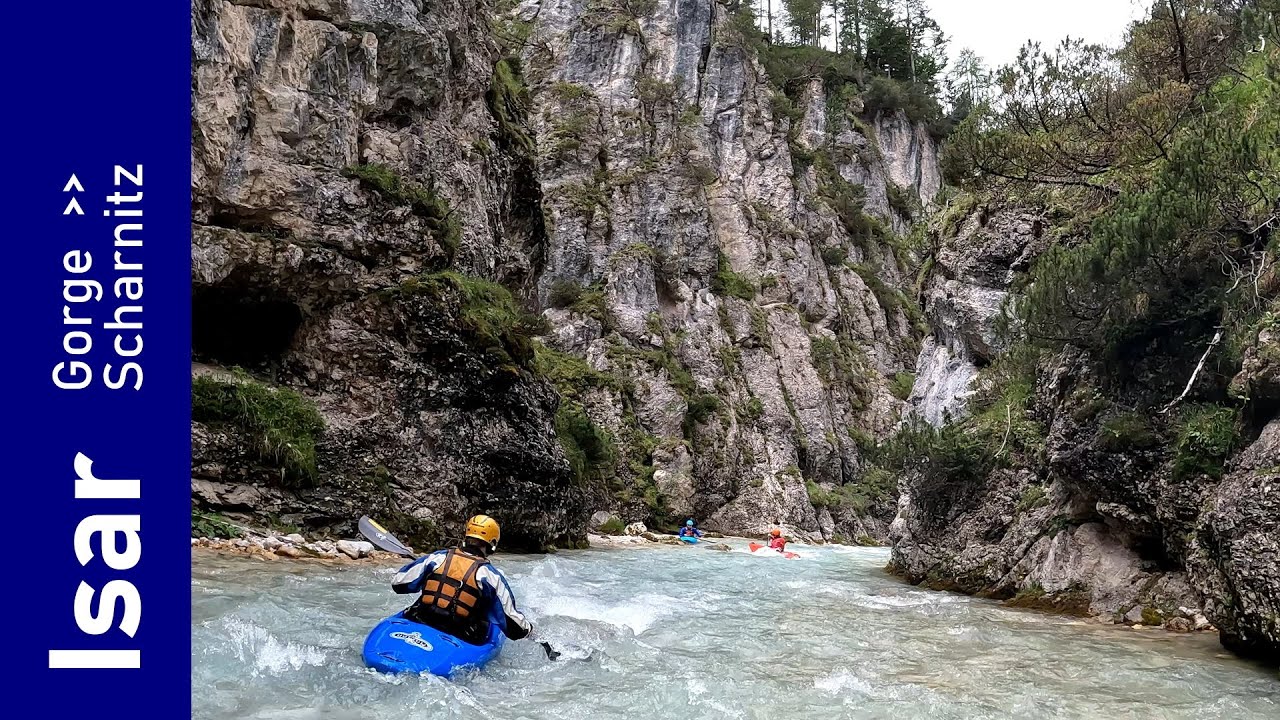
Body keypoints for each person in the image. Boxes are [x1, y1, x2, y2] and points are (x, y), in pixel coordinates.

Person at [390, 514, 537, 648]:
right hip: (461, 635)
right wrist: (530, 631)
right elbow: (514, 627)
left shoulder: (436, 558)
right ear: (492, 544)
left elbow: (398, 583)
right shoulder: (491, 576)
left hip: (422, 620)